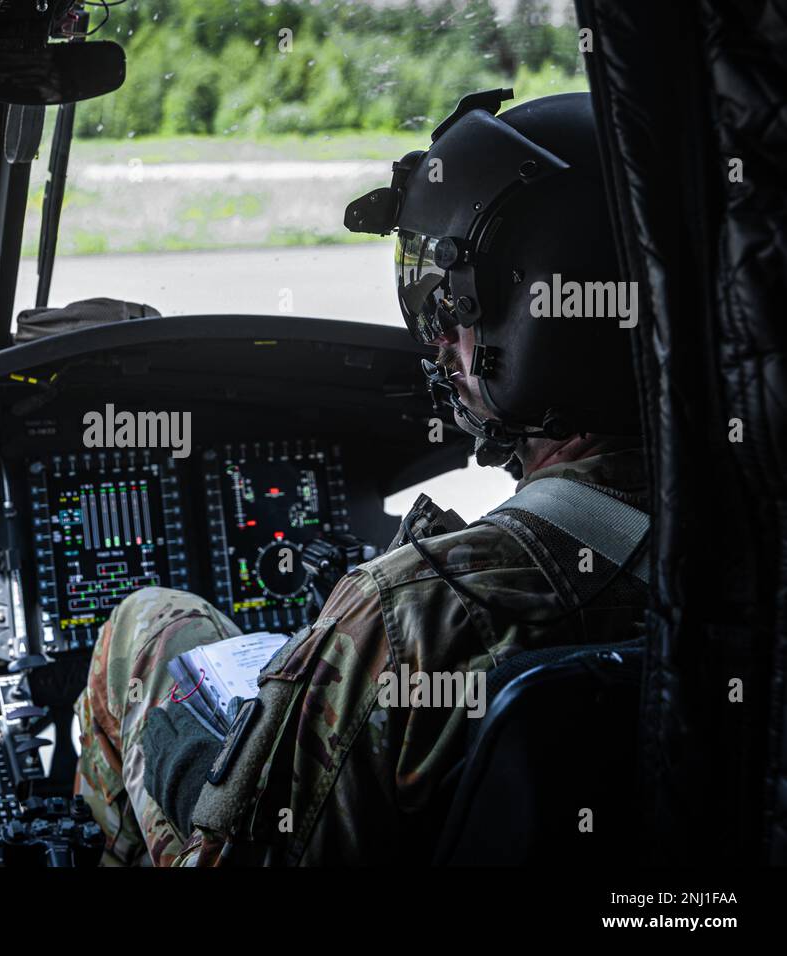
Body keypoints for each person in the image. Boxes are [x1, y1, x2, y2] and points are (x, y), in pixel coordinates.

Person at [73, 90, 649, 866]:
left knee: (148, 621)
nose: (440, 343)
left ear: (524, 327)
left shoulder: (409, 613)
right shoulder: (751, 537)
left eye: (450, 310)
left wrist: (191, 741)